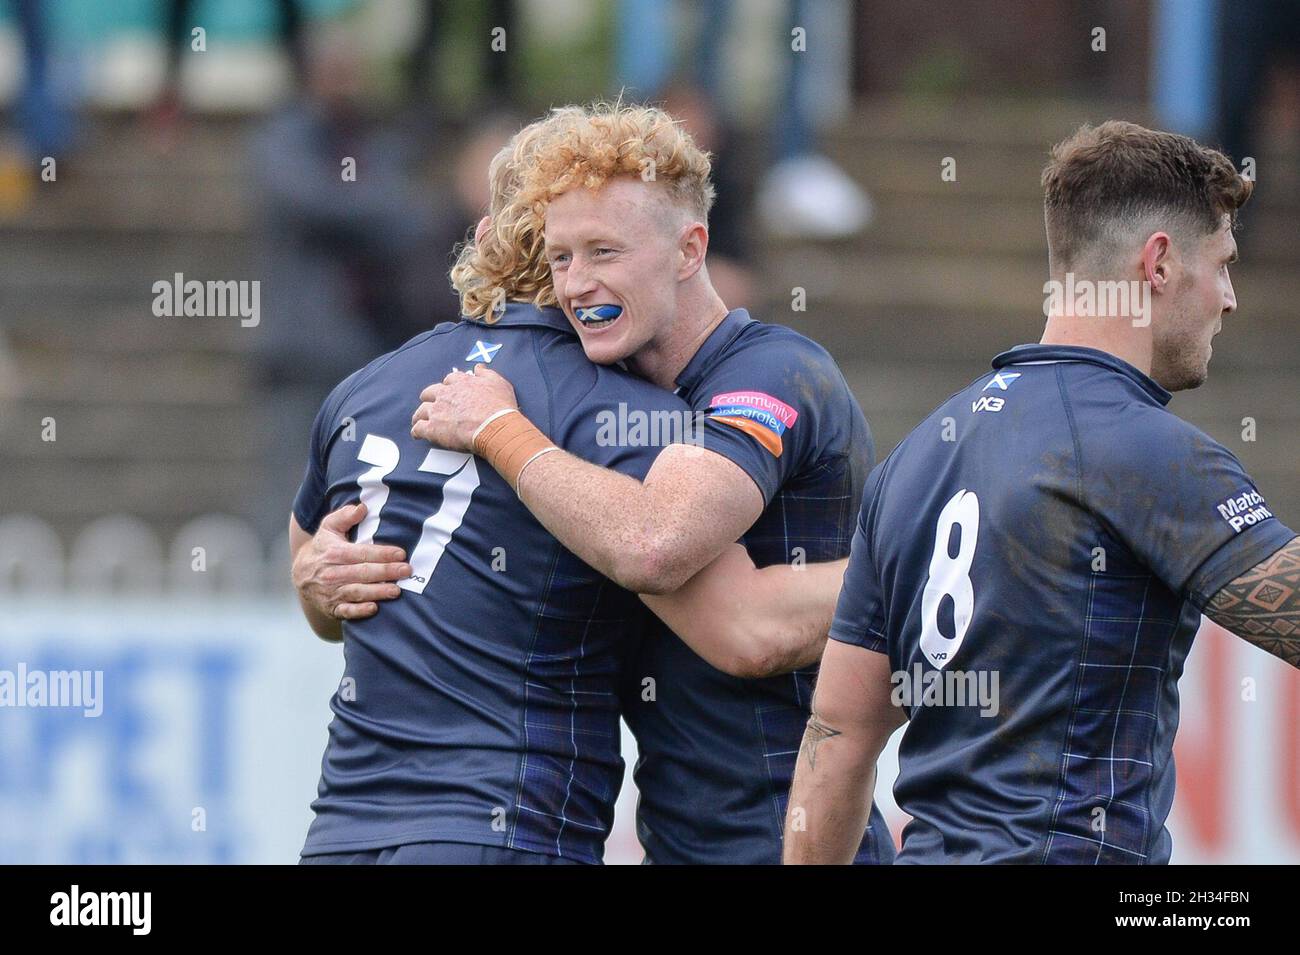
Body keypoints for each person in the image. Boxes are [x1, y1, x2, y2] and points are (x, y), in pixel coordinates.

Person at [290, 123, 842, 864]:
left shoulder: (373, 385)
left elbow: (707, 593)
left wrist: (499, 433)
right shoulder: (615, 407)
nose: (581, 278)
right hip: (513, 829)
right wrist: (317, 580)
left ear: (486, 235)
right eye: (564, 253)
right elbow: (317, 579)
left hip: (343, 829)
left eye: (602, 249)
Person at [783, 121, 1298, 865]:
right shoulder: (1146, 448)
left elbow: (835, 738)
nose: (1230, 298)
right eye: (1222, 265)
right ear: (1157, 263)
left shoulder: (918, 455)